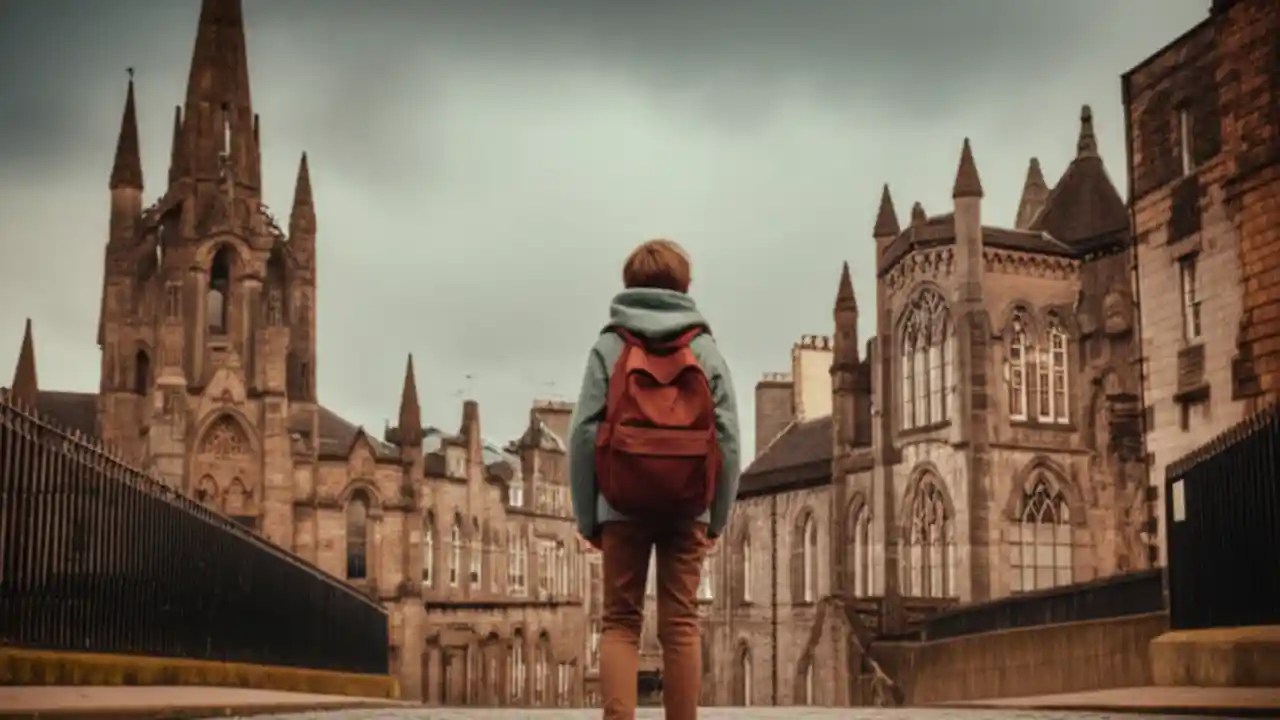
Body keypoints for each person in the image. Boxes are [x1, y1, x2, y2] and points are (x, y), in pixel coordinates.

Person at [568, 238, 741, 720]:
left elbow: (582, 434)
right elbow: (728, 438)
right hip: (689, 504)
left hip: (620, 501)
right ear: (684, 287)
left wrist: (588, 516)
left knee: (621, 622)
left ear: (630, 286)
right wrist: (717, 517)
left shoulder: (610, 346)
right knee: (681, 623)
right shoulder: (704, 349)